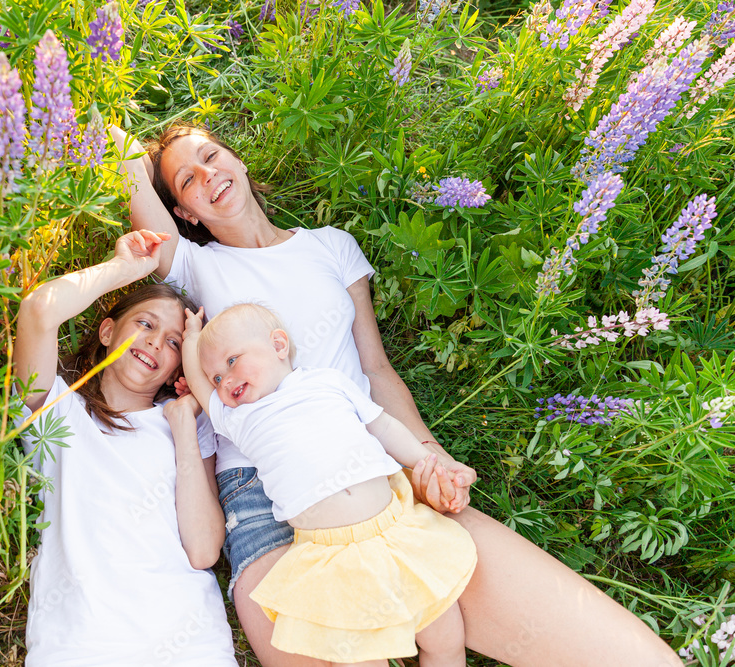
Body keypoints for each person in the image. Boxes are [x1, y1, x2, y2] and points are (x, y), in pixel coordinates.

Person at [110, 122, 684, 667]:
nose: (207, 174)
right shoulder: (195, 265)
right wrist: (115, 139)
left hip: (378, 477)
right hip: (265, 498)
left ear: (237, 159)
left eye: (211, 156)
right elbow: (140, 196)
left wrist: (428, 459)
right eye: (187, 180)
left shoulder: (330, 247)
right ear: (184, 211)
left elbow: (378, 370)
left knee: (634, 656)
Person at [182, 302, 476, 666]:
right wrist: (191, 338)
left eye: (231, 361)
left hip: (397, 530)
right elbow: (196, 381)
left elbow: (382, 426)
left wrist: (425, 461)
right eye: (216, 378)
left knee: (445, 638)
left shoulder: (328, 381)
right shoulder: (239, 420)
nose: (224, 380)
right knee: (359, 657)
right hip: (331, 557)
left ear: (278, 345)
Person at [11, 229, 237, 666]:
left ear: (179, 365)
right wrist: (123, 269)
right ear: (108, 331)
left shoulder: (187, 427)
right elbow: (39, 310)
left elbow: (205, 550)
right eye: (145, 324)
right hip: (81, 645)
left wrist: (185, 428)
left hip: (190, 644)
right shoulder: (57, 408)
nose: (155, 342)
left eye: (174, 342)